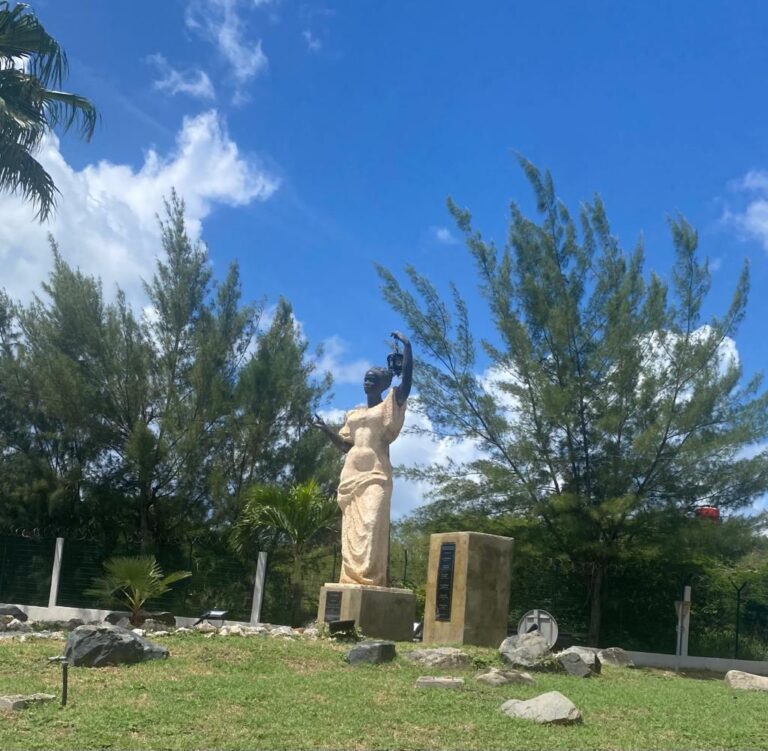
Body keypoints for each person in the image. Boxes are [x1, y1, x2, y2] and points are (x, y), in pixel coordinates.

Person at [314, 331, 412, 586]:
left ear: (383, 385)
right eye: (366, 379)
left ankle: (371, 579)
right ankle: (350, 579)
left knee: (371, 523)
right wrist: (327, 431)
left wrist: (408, 348)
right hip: (351, 475)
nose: (367, 382)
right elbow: (346, 446)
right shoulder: (354, 414)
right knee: (351, 530)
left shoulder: (389, 405)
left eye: (373, 379)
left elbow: (406, 385)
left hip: (376, 475)